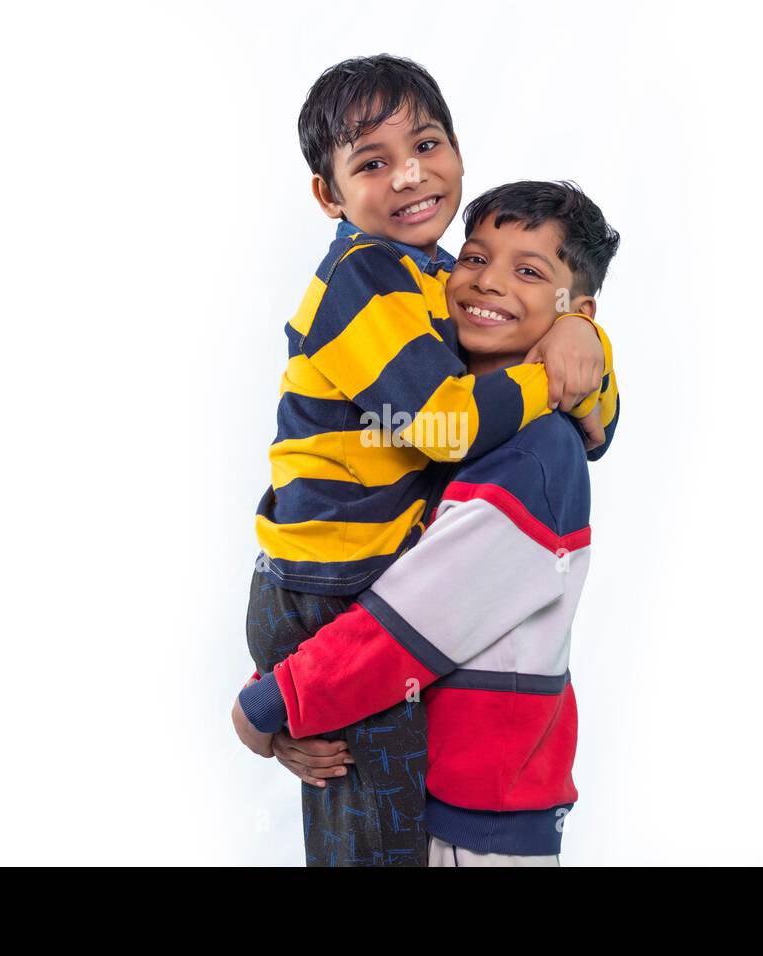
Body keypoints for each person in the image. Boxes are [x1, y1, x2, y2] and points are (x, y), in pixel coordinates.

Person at [237, 54, 621, 867]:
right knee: (368, 840)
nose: (409, 176)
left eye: (425, 144)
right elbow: (444, 430)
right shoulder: (363, 279)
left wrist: (581, 341)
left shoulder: (433, 275)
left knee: (366, 826)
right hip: (322, 595)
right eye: (372, 163)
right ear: (328, 194)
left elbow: (594, 422)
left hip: (351, 599)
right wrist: (553, 370)